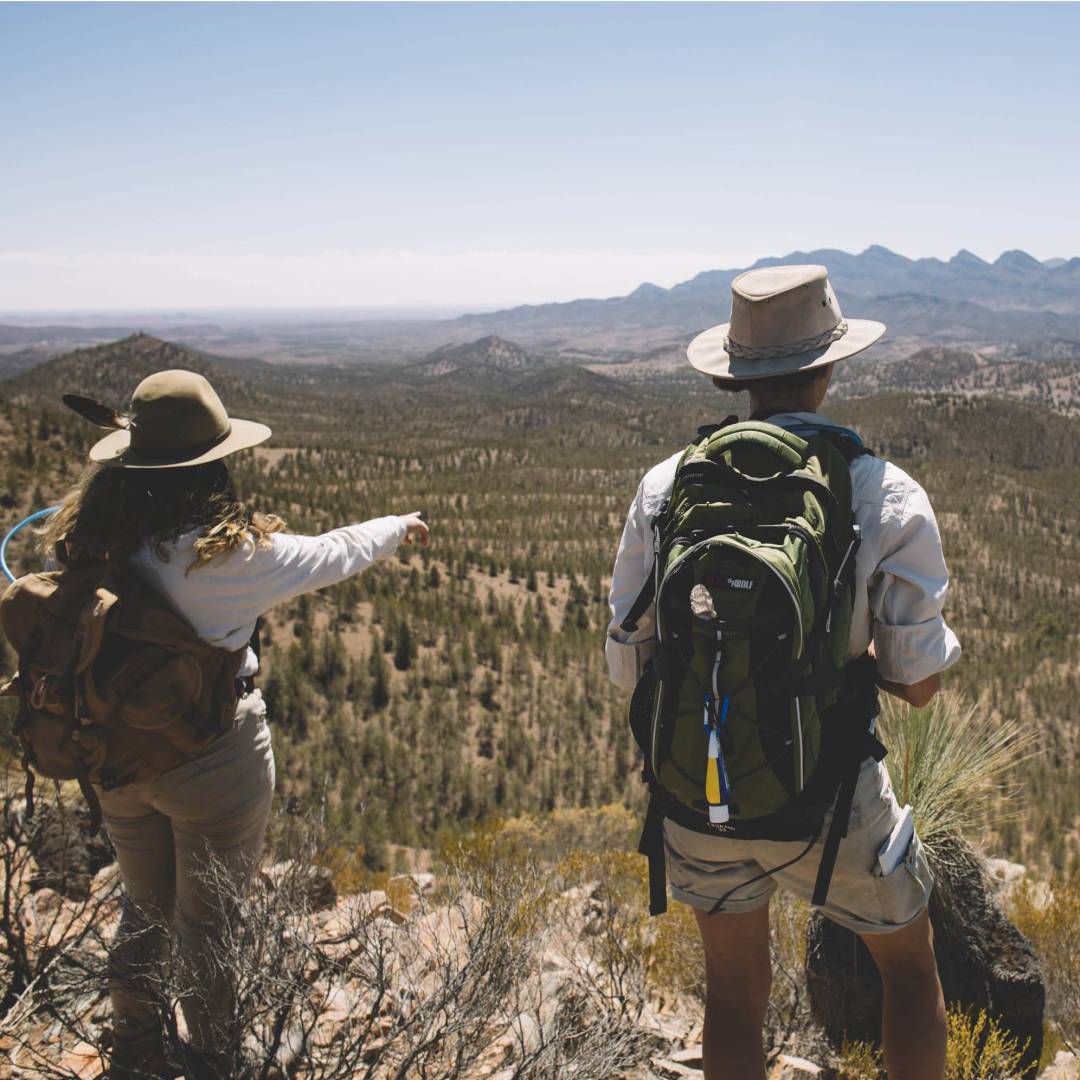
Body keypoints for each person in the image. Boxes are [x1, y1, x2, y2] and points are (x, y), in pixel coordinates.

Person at [605, 266, 960, 1080]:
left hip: (698, 783)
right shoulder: (883, 492)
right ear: (830, 368)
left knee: (733, 995)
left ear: (734, 377)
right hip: (830, 794)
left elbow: (630, 666)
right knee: (907, 967)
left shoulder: (666, 487)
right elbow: (919, 686)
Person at [45, 369, 429, 1079]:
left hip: (115, 756)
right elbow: (333, 553)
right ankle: (216, 1056)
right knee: (211, 918)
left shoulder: (81, 540)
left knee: (144, 902)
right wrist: (397, 527)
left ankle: (133, 1040)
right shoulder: (228, 557)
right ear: (211, 465)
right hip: (212, 759)